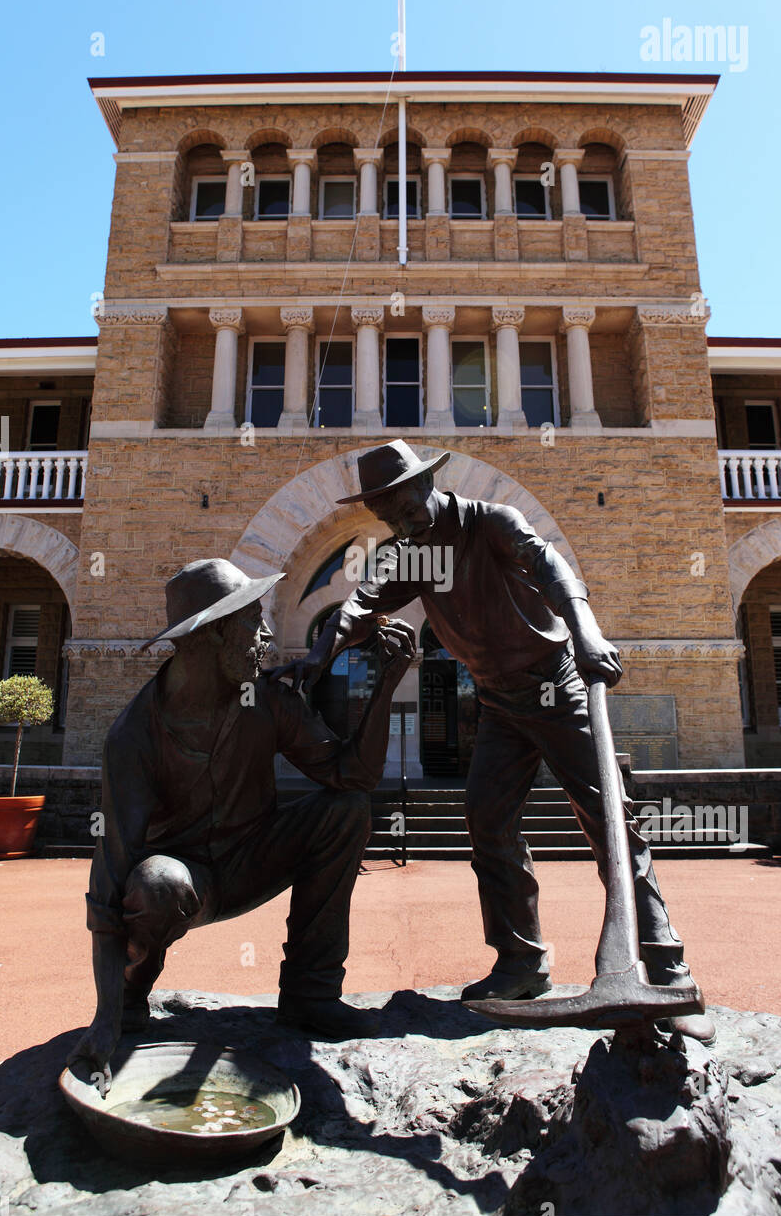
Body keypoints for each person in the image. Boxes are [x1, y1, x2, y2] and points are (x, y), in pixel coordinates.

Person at [270, 441, 715, 1045]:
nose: (397, 520)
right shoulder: (412, 554)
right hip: (498, 700)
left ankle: (666, 966)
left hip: (556, 683)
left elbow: (555, 572)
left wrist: (587, 632)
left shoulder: (492, 521)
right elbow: (362, 603)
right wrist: (319, 654)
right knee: (487, 820)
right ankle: (520, 962)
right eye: (386, 514)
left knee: (608, 820)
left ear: (423, 484)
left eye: (400, 504)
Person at [69, 557, 414, 1085]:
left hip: (254, 858)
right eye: (253, 619)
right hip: (187, 883)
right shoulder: (134, 736)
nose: (268, 634)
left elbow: (352, 777)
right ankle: (135, 992)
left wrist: (386, 684)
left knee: (343, 812)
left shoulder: (268, 698)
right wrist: (104, 1020)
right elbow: (110, 874)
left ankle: (311, 995)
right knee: (155, 882)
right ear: (210, 634)